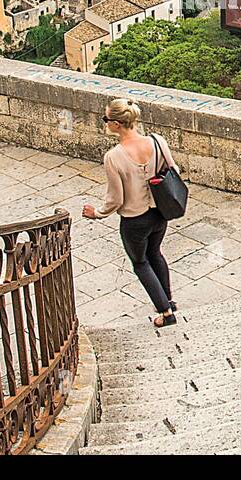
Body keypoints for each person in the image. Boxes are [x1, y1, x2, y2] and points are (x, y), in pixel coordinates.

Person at [82, 98, 179, 328]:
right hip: (159, 212)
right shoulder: (157, 141)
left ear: (116, 124)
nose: (105, 122)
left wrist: (96, 213)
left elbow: (115, 199)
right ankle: (168, 300)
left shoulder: (113, 157)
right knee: (156, 253)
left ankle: (166, 313)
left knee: (140, 262)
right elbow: (173, 170)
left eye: (106, 119)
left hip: (135, 219)